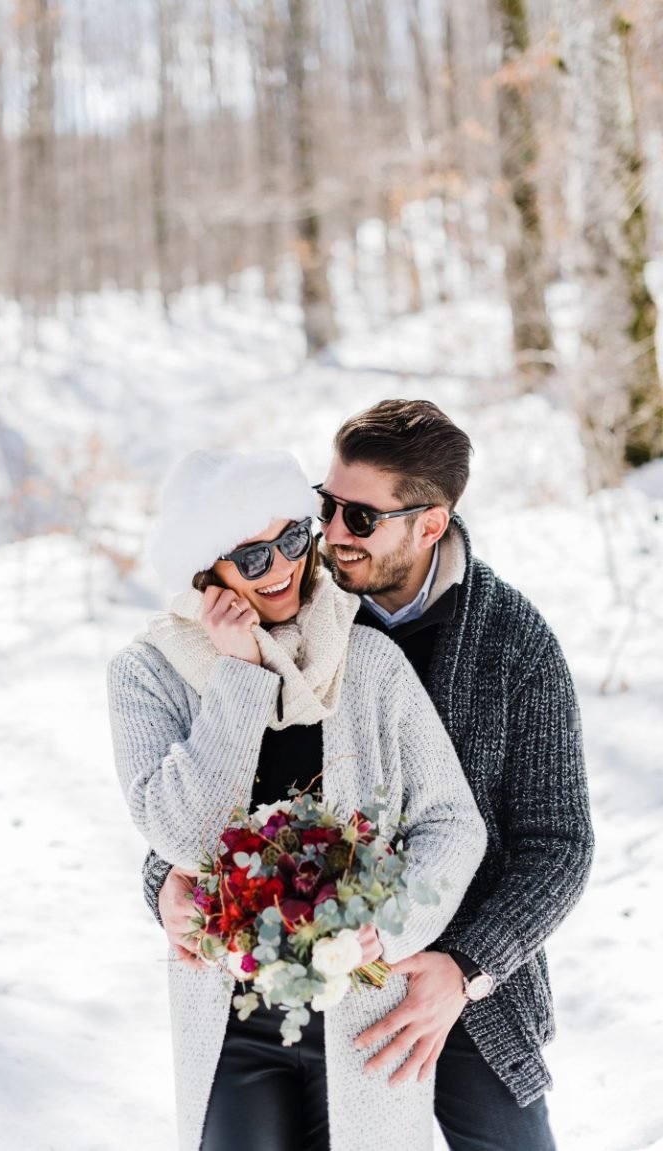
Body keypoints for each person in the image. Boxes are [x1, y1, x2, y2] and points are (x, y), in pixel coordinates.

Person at [144, 402, 595, 1151]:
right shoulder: (284, 612)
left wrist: (466, 966)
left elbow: (561, 844)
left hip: (465, 982)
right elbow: (223, 787)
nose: (330, 533)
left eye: (360, 516)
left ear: (429, 524)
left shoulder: (514, 645)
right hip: (324, 976)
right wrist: (164, 874)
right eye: (324, 505)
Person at [108, 446, 487, 1151]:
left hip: (368, 1011)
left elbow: (451, 822)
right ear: (206, 571)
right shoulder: (148, 674)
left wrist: (391, 924)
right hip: (234, 1018)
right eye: (250, 559)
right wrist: (238, 676)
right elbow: (184, 837)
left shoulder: (367, 656)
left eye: (289, 540)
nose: (280, 567)